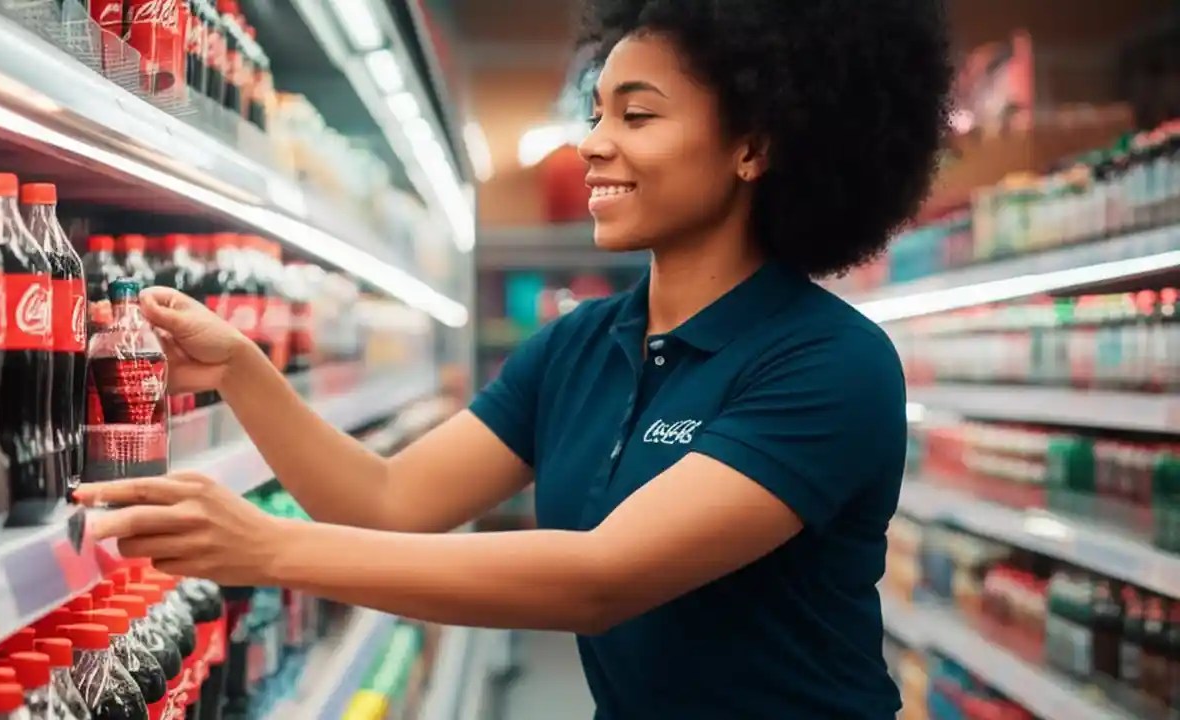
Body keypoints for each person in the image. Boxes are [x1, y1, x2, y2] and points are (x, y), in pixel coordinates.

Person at [78, 1, 951, 717]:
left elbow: (599, 579)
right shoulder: (583, 345)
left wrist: (269, 550)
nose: (595, 144)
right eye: (597, 112)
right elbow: (388, 501)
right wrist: (241, 371)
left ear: (755, 146)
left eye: (638, 115)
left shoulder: (831, 363)